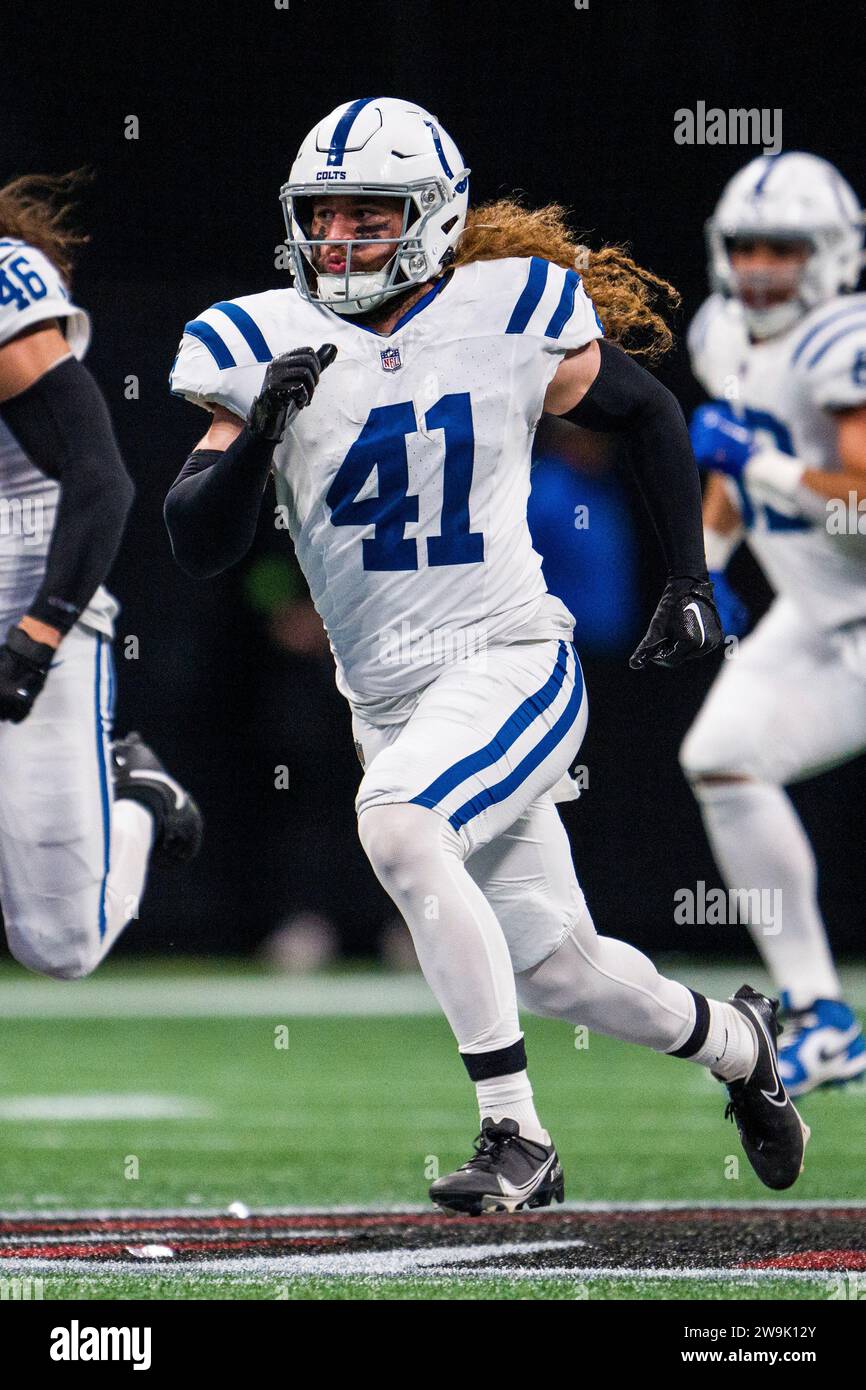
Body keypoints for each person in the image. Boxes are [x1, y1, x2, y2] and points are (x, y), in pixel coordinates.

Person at [166, 98, 808, 1210]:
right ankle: (743, 1046)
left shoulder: (507, 310)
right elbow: (195, 538)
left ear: (431, 219)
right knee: (561, 968)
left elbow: (649, 413)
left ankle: (516, 1134)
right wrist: (259, 435)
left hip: (509, 656)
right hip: (387, 697)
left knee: (400, 825)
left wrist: (688, 583)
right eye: (324, 218)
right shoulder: (258, 333)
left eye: (369, 218)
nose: (340, 241)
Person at [683, 151, 866, 1097]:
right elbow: (730, 467)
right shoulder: (723, 333)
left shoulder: (847, 341)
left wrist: (763, 468)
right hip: (829, 616)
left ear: (831, 255)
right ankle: (824, 1017)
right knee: (722, 755)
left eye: (783, 249)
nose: (759, 267)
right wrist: (702, 573)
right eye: (746, 246)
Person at [0, 172, 202, 980]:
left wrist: (34, 637)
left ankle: (141, 798)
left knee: (59, 943)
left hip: (23, 605)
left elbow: (99, 479)